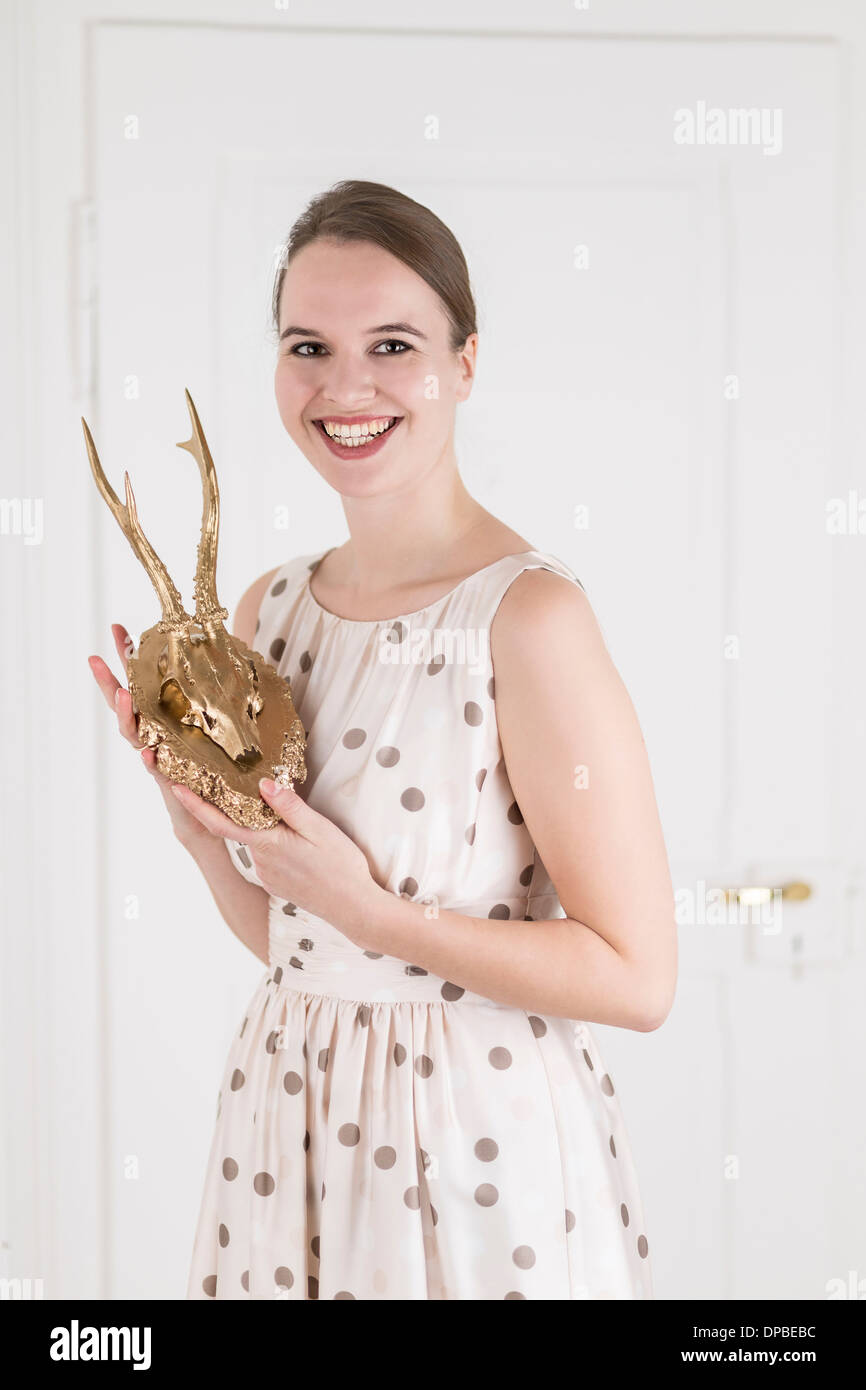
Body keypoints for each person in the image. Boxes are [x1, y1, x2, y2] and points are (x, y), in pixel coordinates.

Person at [89, 179, 677, 1301]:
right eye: (307, 344)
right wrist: (195, 823)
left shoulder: (526, 617)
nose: (343, 386)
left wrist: (376, 909)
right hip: (289, 1118)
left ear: (464, 363)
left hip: (474, 1149)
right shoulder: (271, 605)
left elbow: (637, 976)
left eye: (392, 343)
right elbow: (302, 946)